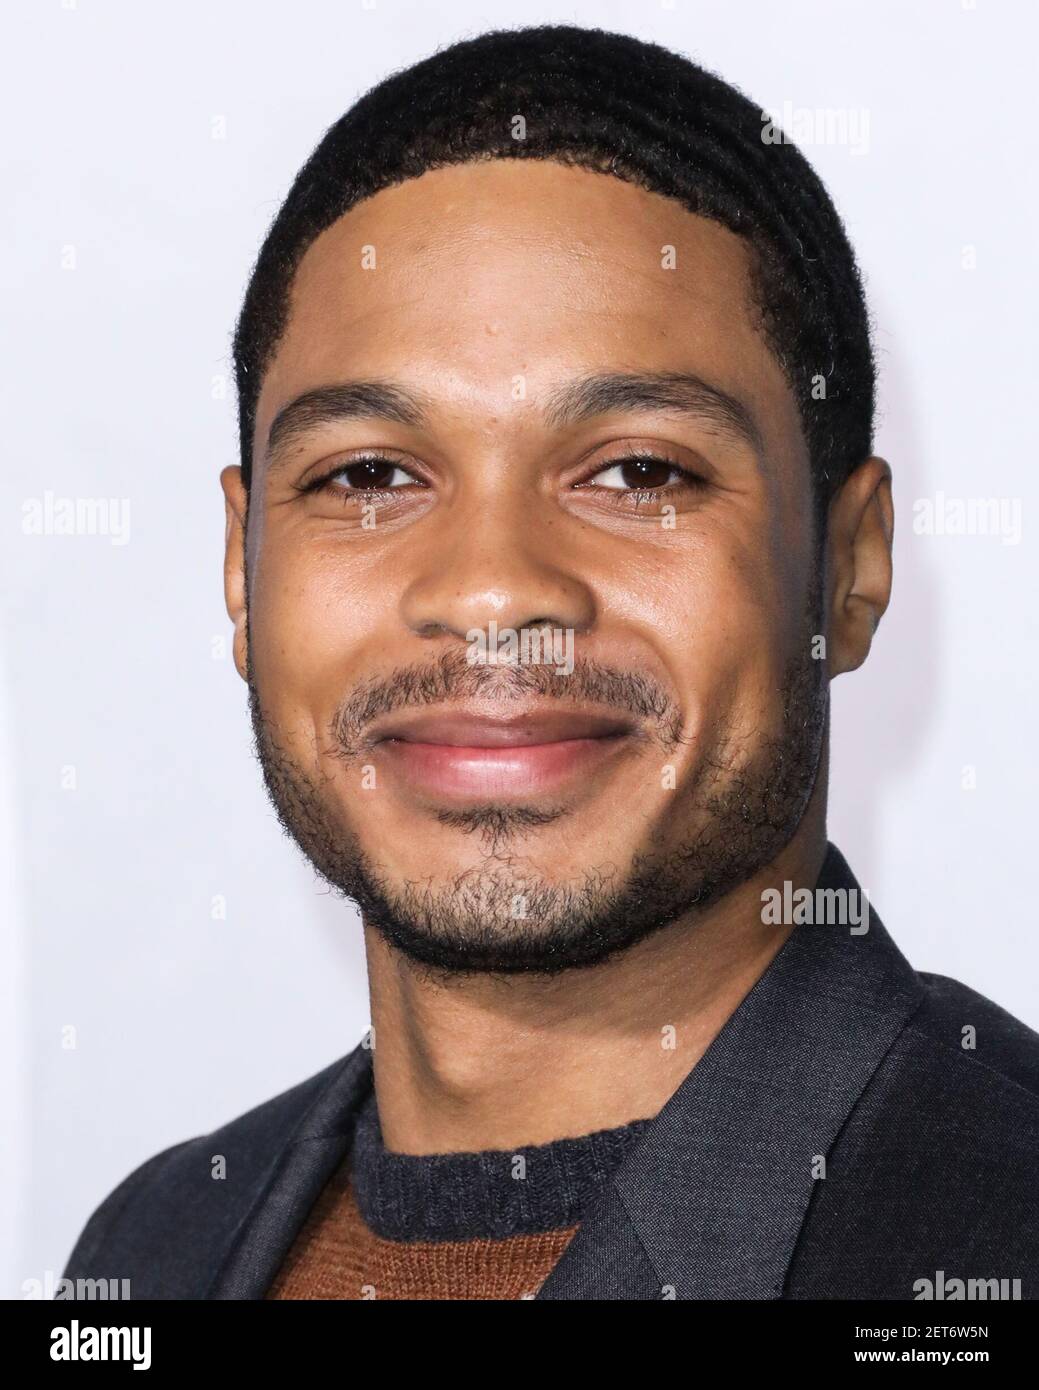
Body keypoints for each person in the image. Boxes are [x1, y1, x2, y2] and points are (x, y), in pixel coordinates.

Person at [62, 23, 1039, 1301]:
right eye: (368, 475)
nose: (492, 587)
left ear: (847, 568)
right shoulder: (148, 1254)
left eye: (640, 471)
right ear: (244, 569)